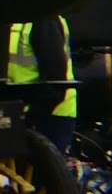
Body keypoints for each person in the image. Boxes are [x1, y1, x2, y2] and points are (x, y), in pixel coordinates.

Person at [8, 17, 77, 155]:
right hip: (18, 114)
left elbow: (56, 83)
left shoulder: (45, 20)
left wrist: (31, 118)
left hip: (50, 117)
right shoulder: (10, 21)